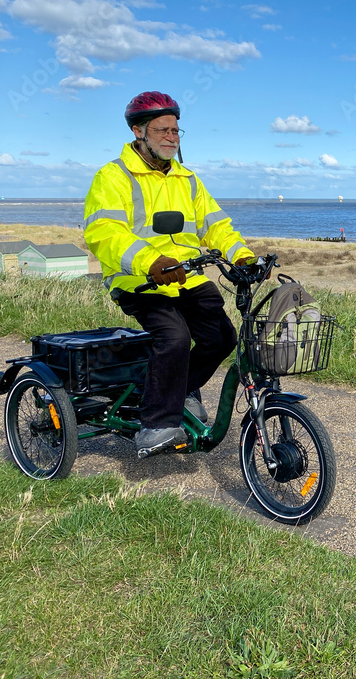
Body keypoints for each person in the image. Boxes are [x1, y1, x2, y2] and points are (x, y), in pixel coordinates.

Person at [84, 91, 255, 458]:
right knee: (175, 338)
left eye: (176, 131)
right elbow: (104, 234)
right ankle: (157, 424)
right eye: (162, 130)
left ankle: (181, 389)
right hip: (139, 281)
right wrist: (150, 262)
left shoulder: (188, 179)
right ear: (138, 132)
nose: (171, 137)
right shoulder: (113, 176)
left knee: (222, 338)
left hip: (187, 278)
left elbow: (216, 225)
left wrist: (241, 256)